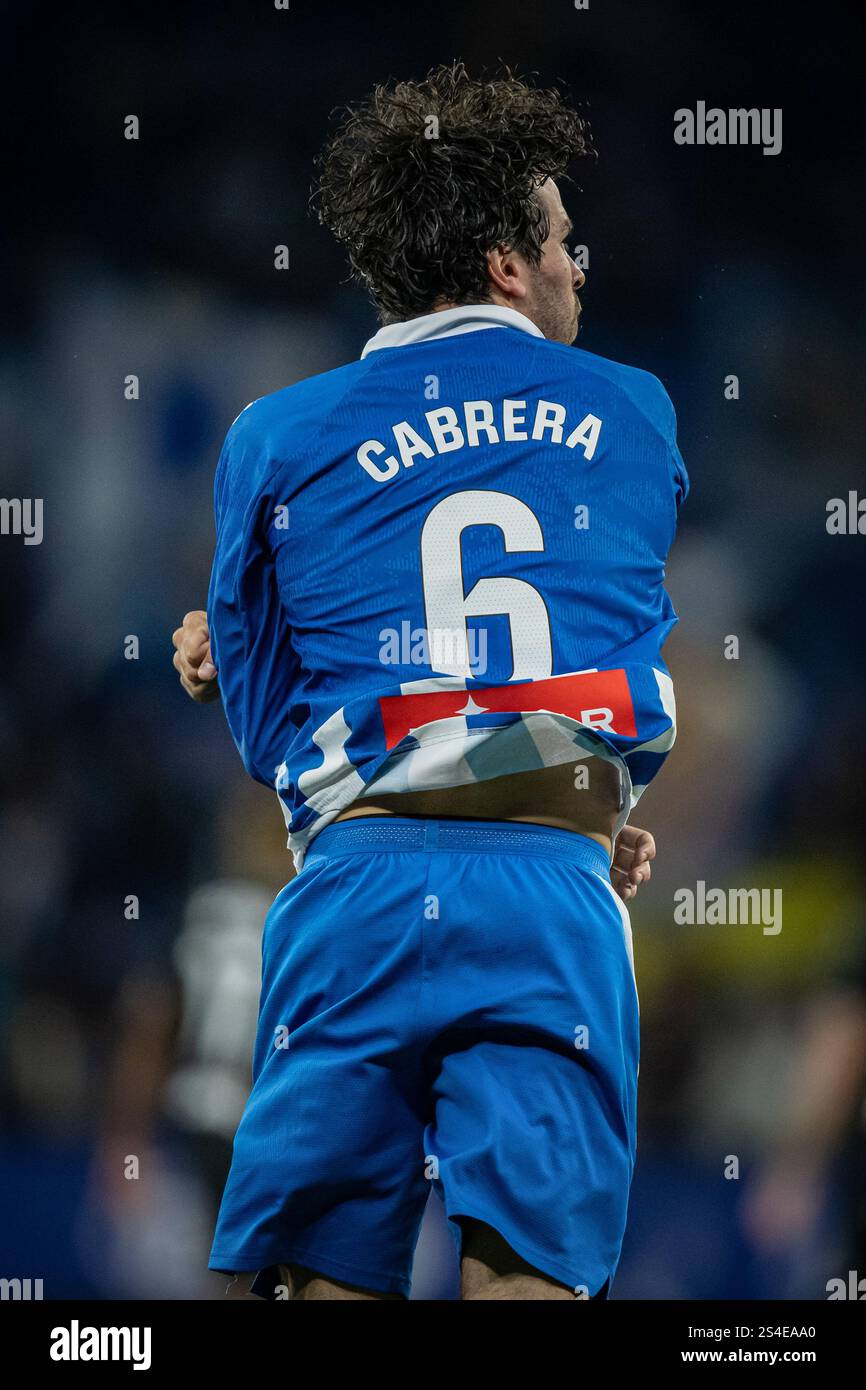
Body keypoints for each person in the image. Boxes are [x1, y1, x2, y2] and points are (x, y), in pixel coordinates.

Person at [172, 62, 688, 1300]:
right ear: (508, 266)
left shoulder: (275, 434)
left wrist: (216, 652)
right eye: (562, 239)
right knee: (525, 1281)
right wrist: (568, 795)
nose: (577, 263)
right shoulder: (634, 412)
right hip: (550, 895)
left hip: (356, 896)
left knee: (323, 1285)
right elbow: (592, 642)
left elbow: (264, 728)